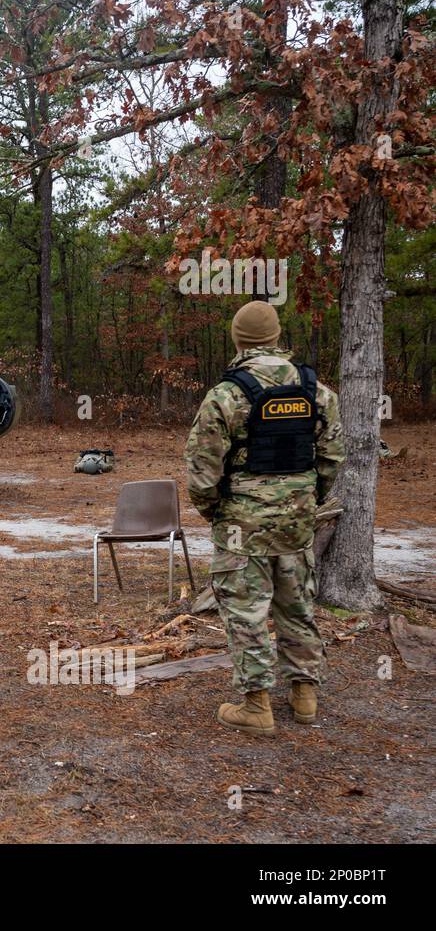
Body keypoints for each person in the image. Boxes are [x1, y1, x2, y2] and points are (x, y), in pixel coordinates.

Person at [185, 300, 344, 735]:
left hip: (241, 525)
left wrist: (216, 512)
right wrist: (307, 500)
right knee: (298, 605)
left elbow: (202, 470)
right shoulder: (318, 392)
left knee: (246, 611)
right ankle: (304, 696)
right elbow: (332, 458)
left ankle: (256, 705)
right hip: (297, 521)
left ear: (238, 339)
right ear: (276, 337)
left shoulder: (226, 395)